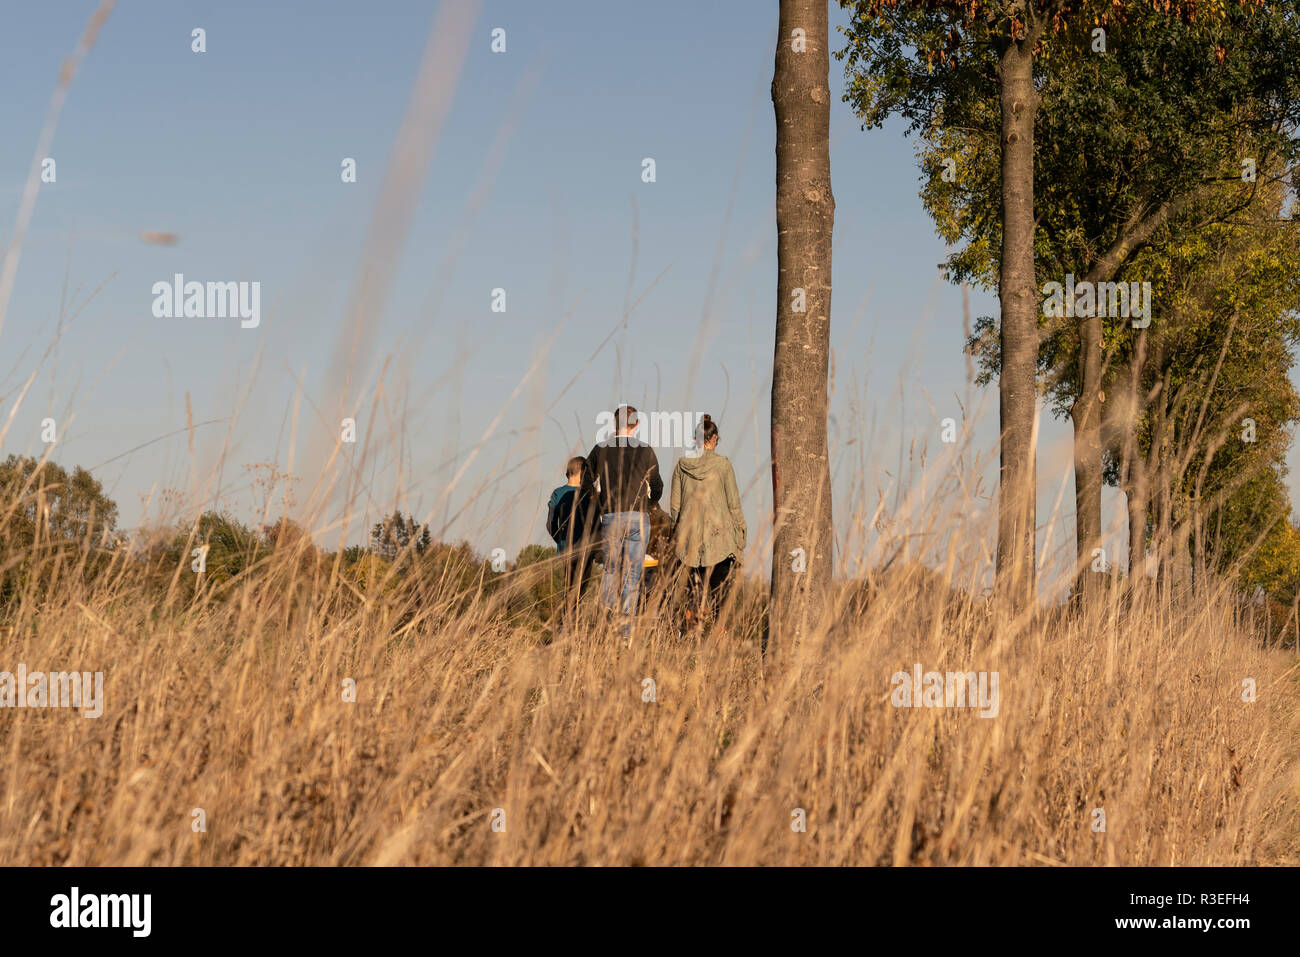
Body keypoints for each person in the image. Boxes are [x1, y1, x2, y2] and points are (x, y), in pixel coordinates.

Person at [586, 405, 663, 634]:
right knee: (632, 575)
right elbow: (657, 485)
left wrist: (599, 502)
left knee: (610, 571)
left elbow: (587, 480)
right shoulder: (646, 450)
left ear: (614, 424)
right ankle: (625, 631)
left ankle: (607, 626)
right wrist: (649, 504)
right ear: (636, 425)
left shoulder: (601, 449)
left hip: (611, 516)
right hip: (638, 517)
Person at [670, 414, 745, 633]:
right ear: (715, 439)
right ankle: (719, 642)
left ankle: (692, 635)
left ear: (695, 439)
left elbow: (675, 507)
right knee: (720, 594)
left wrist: (678, 535)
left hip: (689, 541)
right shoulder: (723, 466)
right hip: (719, 540)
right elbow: (734, 505)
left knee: (694, 592)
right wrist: (741, 536)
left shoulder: (682, 466)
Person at [546, 456, 599, 619]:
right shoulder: (589, 496)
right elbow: (597, 525)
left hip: (565, 549)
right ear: (583, 472)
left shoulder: (558, 493)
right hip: (585, 549)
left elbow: (550, 524)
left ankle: (566, 624)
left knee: (569, 587)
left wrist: (560, 539)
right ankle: (570, 626)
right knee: (580, 591)